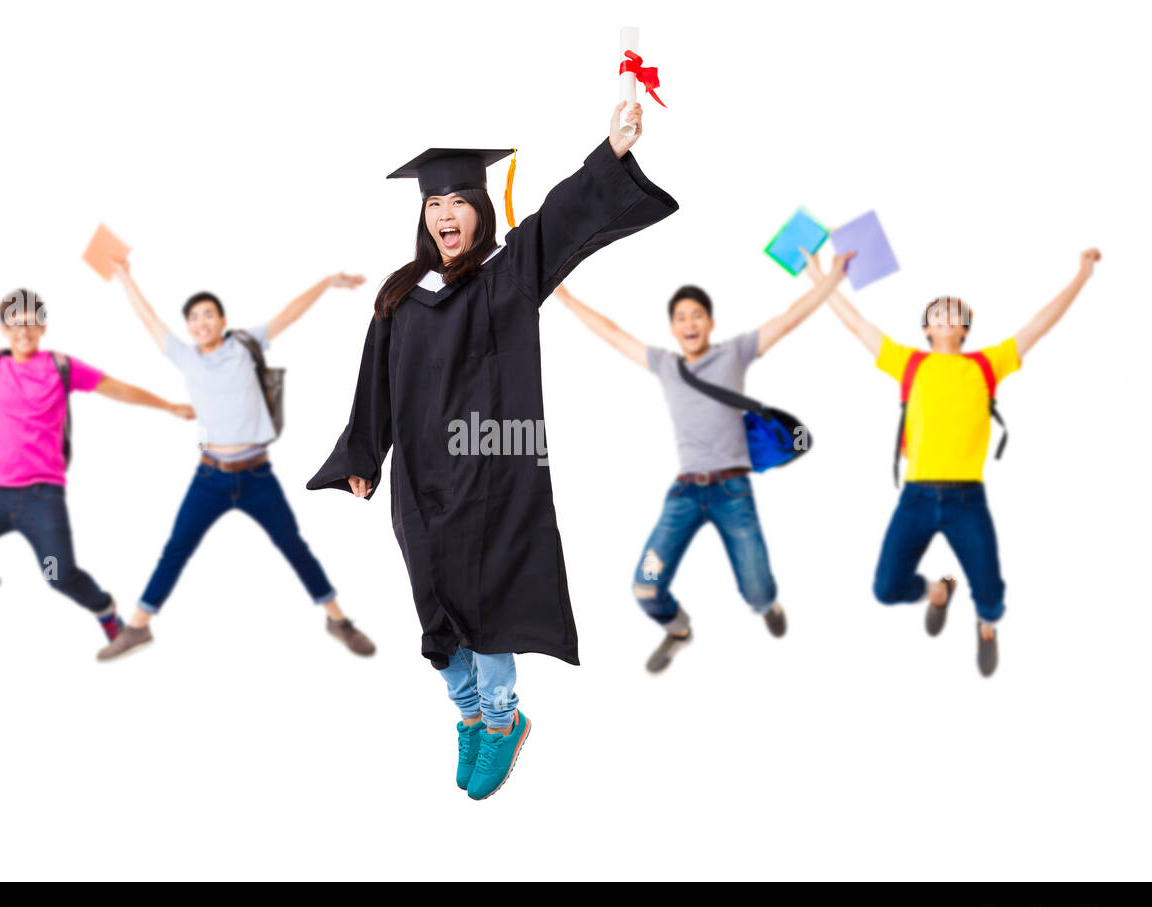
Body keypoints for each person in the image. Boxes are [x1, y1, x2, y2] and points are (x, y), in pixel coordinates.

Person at [308, 101, 678, 799]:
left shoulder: (506, 278)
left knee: (487, 602)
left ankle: (503, 721)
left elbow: (560, 218)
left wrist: (614, 150)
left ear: (478, 207)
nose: (444, 214)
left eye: (457, 201)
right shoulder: (398, 295)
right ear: (422, 214)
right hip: (420, 483)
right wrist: (363, 456)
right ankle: (470, 714)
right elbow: (374, 388)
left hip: (491, 472)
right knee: (436, 612)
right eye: (434, 204)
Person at [803, 247, 1102, 676]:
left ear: (964, 327)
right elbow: (855, 323)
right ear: (926, 328)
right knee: (886, 590)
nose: (945, 314)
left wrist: (1082, 275)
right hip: (916, 499)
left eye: (954, 312)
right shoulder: (909, 362)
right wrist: (820, 277)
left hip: (967, 501)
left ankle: (986, 628)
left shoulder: (986, 364)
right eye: (936, 312)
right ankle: (937, 593)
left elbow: (1040, 323)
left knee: (993, 601)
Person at [554, 248, 852, 673]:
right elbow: (612, 332)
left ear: (710, 323)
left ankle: (767, 605)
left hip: (734, 492)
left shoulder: (735, 353)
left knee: (757, 589)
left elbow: (789, 318)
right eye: (681, 317)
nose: (690, 323)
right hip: (685, 495)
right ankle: (678, 631)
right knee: (646, 585)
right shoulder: (666, 364)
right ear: (673, 329)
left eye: (697, 315)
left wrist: (830, 280)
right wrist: (565, 297)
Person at [98, 258, 376, 661]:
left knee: (293, 546)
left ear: (222, 320)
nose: (200, 321)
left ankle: (338, 620)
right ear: (190, 328)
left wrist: (328, 282)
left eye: (208, 314)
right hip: (210, 477)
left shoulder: (245, 343)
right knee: (176, 548)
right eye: (193, 318)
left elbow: (289, 314)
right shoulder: (186, 356)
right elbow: (149, 319)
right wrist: (124, 274)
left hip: (257, 476)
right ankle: (137, 627)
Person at [0, 252, 193, 646]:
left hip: (41, 500)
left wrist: (169, 406)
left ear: (42, 326)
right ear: (4, 327)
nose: (24, 330)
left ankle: (103, 609)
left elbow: (118, 388)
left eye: (31, 322)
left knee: (56, 574)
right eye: (16, 323)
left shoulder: (61, 367)